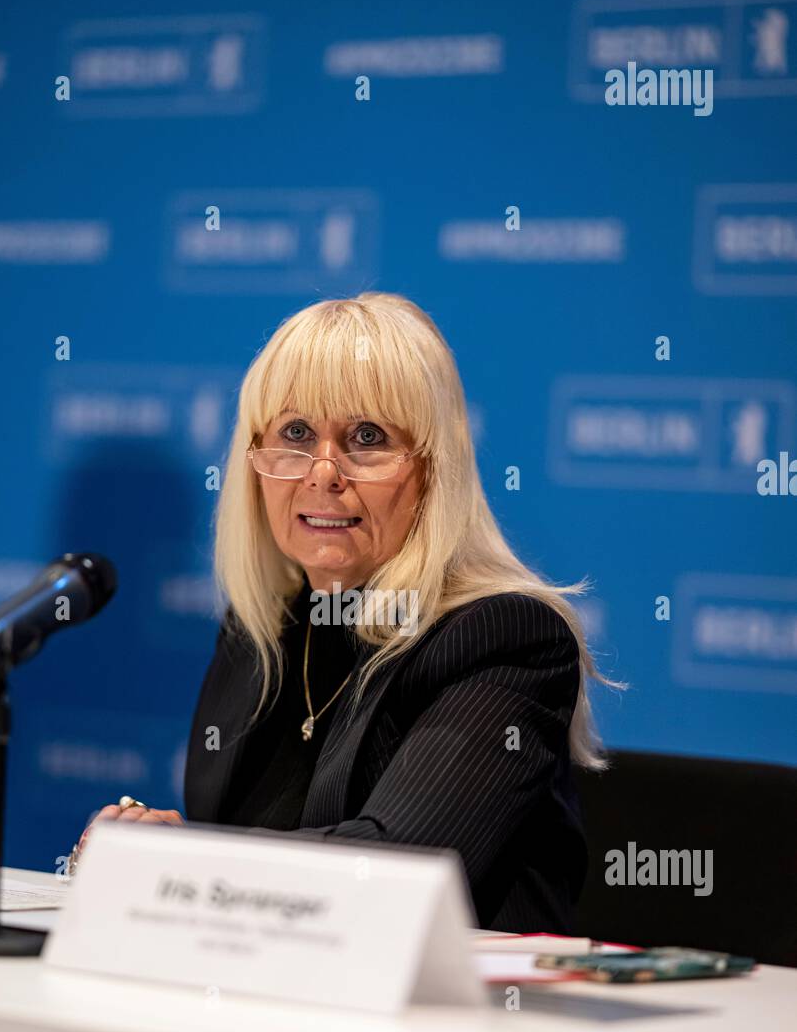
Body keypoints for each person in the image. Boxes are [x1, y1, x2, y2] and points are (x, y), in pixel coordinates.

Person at [74, 292, 611, 932]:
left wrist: (179, 860)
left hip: (463, 1021)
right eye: (295, 435)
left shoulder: (504, 638)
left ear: (434, 470)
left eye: (367, 438)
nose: (323, 473)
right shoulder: (262, 633)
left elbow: (395, 870)